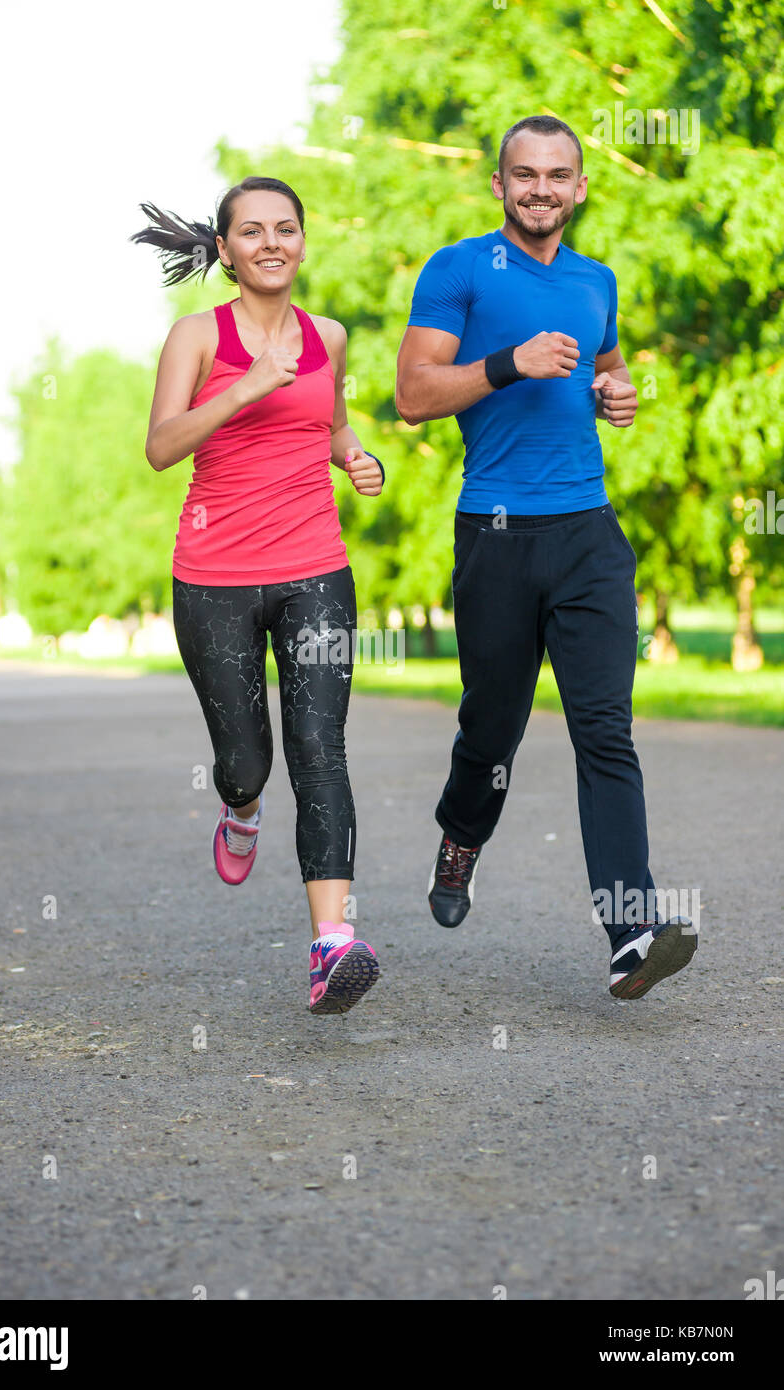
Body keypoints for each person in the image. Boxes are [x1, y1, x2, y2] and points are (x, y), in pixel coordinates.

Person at [395, 116, 697, 1000]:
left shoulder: (596, 279)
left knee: (604, 729)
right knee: (494, 725)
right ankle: (460, 838)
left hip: (587, 535)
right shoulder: (456, 271)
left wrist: (617, 394)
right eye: (522, 174)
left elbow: (603, 367)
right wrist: (506, 364)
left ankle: (629, 930)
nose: (539, 188)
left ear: (579, 189)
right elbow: (412, 395)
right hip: (493, 536)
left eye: (556, 175)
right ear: (498, 186)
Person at [131, 176, 382, 1014]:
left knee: (320, 748)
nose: (270, 242)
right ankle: (240, 809)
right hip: (214, 580)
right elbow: (161, 447)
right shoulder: (196, 336)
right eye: (251, 231)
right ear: (227, 249)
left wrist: (353, 457)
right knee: (249, 762)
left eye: (285, 228)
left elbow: (330, 421)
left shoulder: (330, 337)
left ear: (303, 242)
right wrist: (246, 386)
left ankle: (331, 946)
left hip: (316, 567)